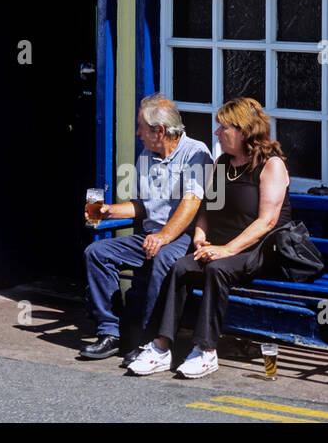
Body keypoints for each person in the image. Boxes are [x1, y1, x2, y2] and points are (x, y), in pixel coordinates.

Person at [129, 97, 291, 379]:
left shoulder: (271, 165)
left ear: (244, 130)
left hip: (260, 250)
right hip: (222, 246)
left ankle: (206, 351)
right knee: (180, 266)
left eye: (223, 127)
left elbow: (268, 221)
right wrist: (201, 237)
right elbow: (207, 207)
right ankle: (161, 347)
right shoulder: (222, 163)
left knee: (217, 270)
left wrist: (226, 250)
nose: (217, 132)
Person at [78, 94, 211, 362]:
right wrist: (109, 211)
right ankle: (110, 332)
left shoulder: (197, 153)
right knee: (97, 252)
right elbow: (141, 205)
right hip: (151, 235)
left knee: (162, 259)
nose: (137, 133)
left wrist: (163, 237)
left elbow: (191, 204)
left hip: (182, 237)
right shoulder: (147, 155)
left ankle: (150, 340)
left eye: (141, 127)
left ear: (159, 131)